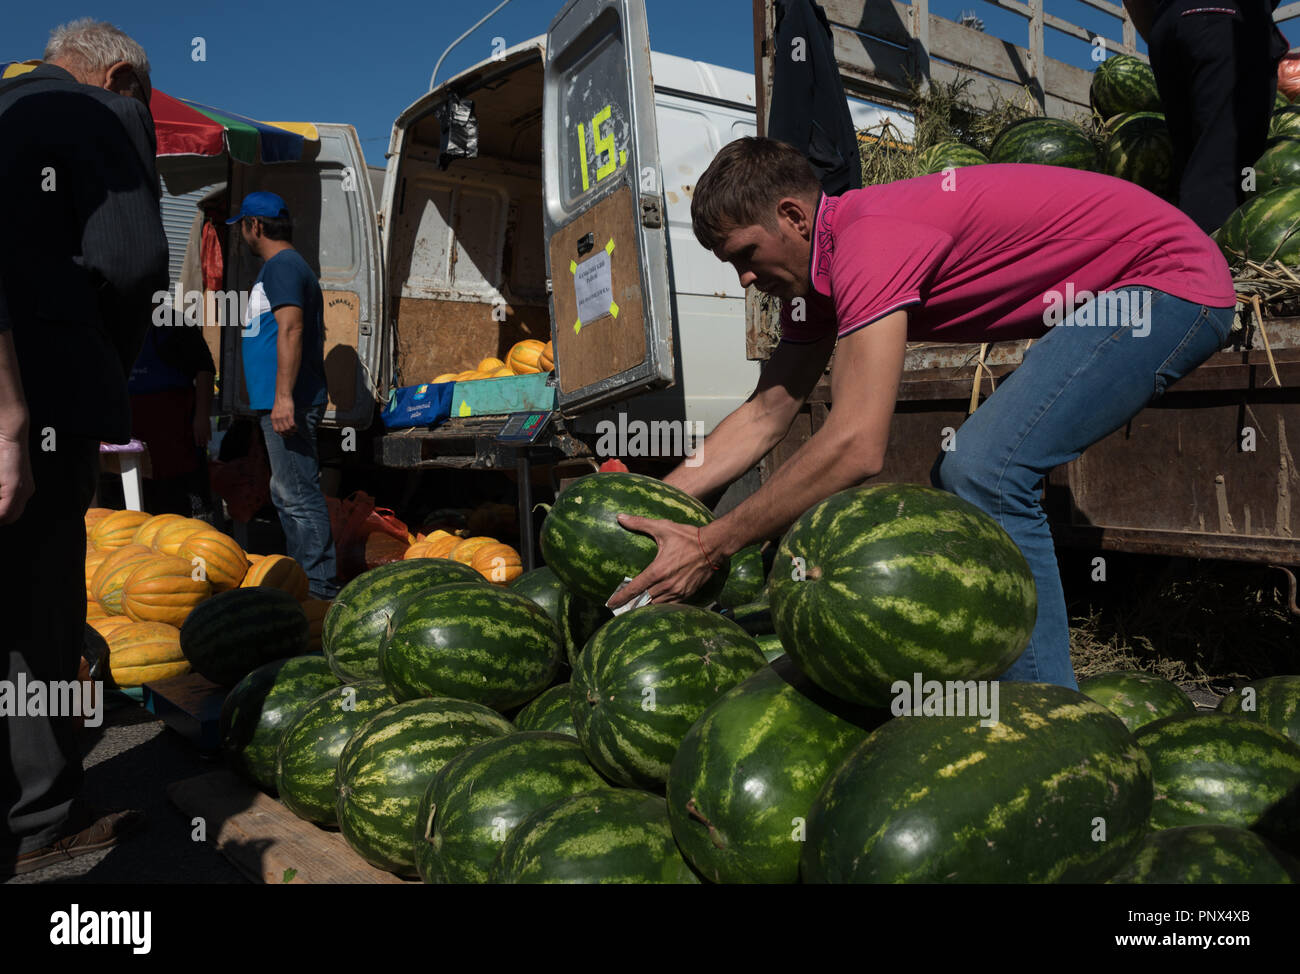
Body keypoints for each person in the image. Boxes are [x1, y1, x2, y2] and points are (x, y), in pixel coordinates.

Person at [608, 137, 1237, 690]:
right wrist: (646, 513)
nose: (743, 279)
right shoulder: (814, 281)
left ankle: (1048, 711)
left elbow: (856, 445)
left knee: (982, 473)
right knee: (971, 471)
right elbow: (766, 414)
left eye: (745, 254)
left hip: (1167, 284)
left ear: (794, 217)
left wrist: (712, 545)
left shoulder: (868, 240)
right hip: (1117, 289)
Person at [0, 19, 168, 876]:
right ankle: (43, 818)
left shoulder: (5, 103)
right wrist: (109, 365)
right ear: (122, 78)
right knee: (41, 605)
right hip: (46, 388)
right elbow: (133, 259)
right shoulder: (101, 112)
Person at [231, 192, 338, 598]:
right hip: (280, 400)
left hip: (290, 400)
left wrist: (283, 398)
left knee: (297, 494)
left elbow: (290, 329)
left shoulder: (282, 267)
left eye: (243, 226)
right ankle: (303, 582)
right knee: (288, 490)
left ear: (255, 225)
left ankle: (319, 592)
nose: (243, 234)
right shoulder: (285, 268)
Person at [1124, 0, 1289, 232]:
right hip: (1223, 18)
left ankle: (1185, 249)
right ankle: (1211, 260)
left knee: (1191, 160)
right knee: (1223, 166)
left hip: (1168, 26)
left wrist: (1167, 27)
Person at [128, 307, 217, 516]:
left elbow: (205, 368)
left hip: (174, 429)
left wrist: (202, 416)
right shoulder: (118, 323)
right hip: (134, 429)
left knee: (178, 496)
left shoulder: (175, 324)